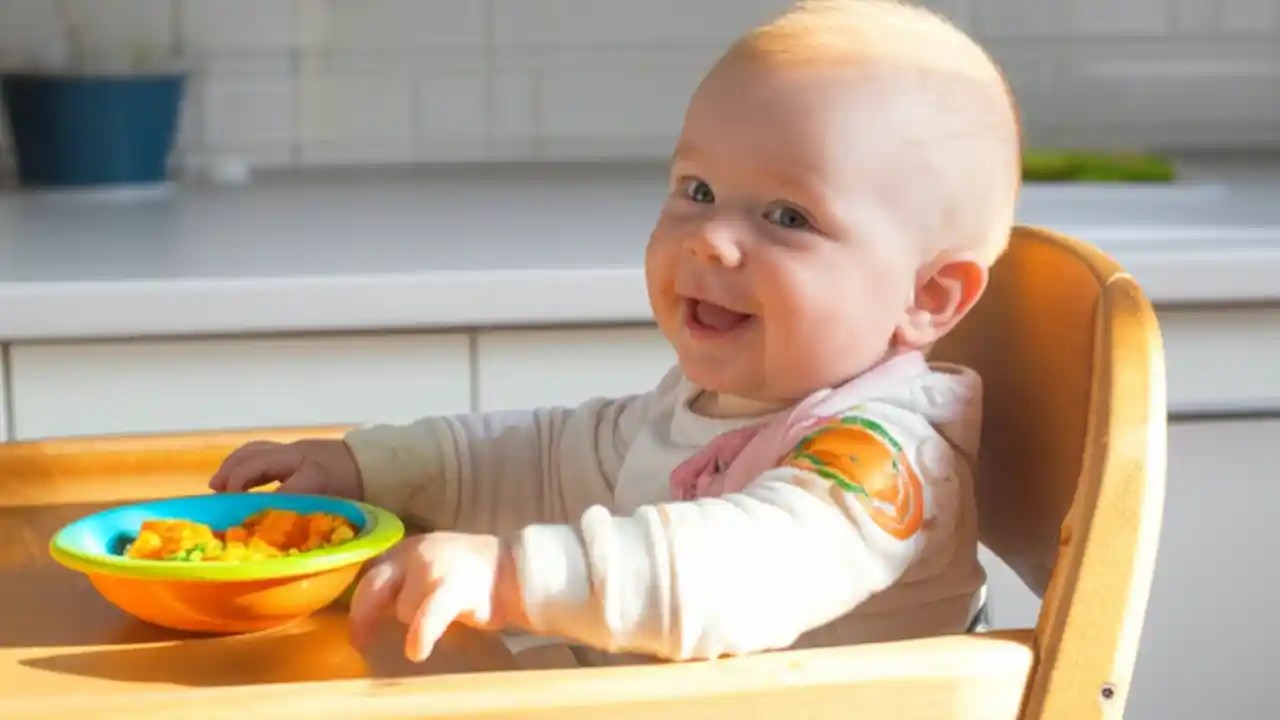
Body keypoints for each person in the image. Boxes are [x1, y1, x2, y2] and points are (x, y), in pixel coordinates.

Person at [210, 0, 1022, 666]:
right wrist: (370, 467)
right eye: (697, 189)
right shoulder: (719, 401)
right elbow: (555, 456)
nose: (711, 238)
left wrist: (510, 576)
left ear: (928, 295)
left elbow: (733, 573)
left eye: (786, 215)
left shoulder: (886, 460)